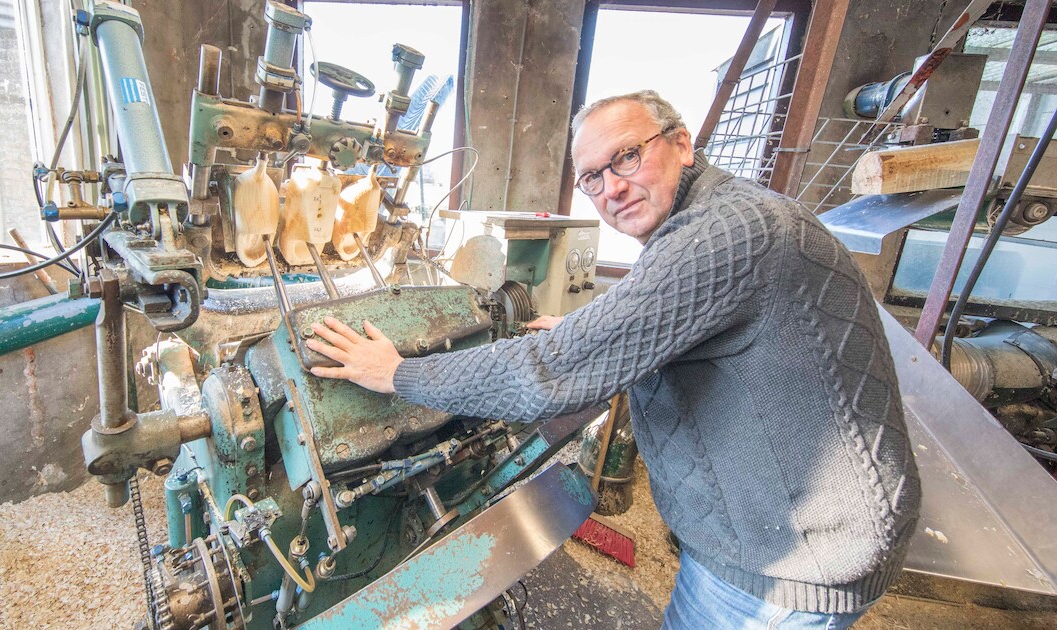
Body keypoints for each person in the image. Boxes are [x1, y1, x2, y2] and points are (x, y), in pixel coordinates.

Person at [305, 90, 920, 629]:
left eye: (626, 157)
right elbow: (675, 321)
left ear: (682, 144)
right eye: (593, 177)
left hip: (790, 557)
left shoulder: (726, 235)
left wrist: (396, 373)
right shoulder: (724, 215)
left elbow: (549, 373)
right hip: (779, 526)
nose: (612, 188)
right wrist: (593, 330)